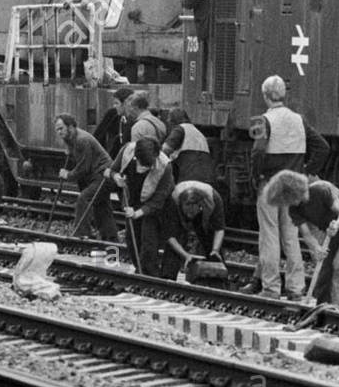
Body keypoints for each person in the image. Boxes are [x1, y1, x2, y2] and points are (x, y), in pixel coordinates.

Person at [245, 74, 330, 299]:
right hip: (294, 184)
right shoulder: (299, 120)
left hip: (271, 183)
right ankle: (296, 288)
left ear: (265, 96)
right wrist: (306, 170)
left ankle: (271, 288)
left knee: (270, 235)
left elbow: (257, 152)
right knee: (291, 237)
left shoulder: (261, 121)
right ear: (284, 95)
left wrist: (256, 176)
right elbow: (322, 147)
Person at [268, 171, 339, 312]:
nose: (288, 203)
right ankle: (323, 308)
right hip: (330, 231)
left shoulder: (321, 190)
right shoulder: (294, 209)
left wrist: (336, 225)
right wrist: (316, 248)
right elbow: (307, 234)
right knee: (324, 268)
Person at [112, 137, 177, 278]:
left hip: (156, 205)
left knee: (148, 240)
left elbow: (158, 201)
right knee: (131, 238)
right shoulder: (127, 151)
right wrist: (116, 177)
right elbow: (111, 171)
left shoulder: (165, 167)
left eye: (147, 166)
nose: (142, 169)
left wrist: (137, 214)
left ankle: (150, 274)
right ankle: (139, 270)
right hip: (134, 199)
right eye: (141, 164)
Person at [56, 113, 116, 241]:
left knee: (84, 199)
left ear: (70, 127)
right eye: (57, 129)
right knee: (102, 205)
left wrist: (68, 174)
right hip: (99, 174)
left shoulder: (81, 140)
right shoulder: (71, 138)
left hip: (103, 174)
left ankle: (82, 234)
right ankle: (110, 237)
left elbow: (84, 168)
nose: (58, 132)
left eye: (61, 128)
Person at [169, 179, 227, 263]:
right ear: (181, 206)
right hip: (179, 209)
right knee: (175, 243)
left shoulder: (214, 200)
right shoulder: (173, 203)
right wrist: (186, 255)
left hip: (205, 210)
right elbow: (170, 236)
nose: (190, 213)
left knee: (209, 241)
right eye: (188, 211)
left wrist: (215, 249)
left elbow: (219, 229)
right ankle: (168, 274)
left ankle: (215, 266)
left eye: (193, 211)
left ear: (200, 206)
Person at [162, 108, 215, 187]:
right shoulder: (198, 132)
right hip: (206, 179)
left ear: (173, 121)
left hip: (188, 178)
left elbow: (165, 149)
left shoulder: (179, 129)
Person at [93, 85, 136, 155]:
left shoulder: (134, 120)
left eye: (116, 103)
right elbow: (99, 134)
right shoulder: (113, 115)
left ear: (124, 104)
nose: (114, 106)